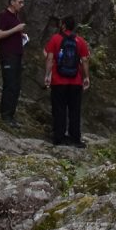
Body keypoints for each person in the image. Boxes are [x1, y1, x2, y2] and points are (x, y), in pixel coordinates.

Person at [44, 14, 90, 147]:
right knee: (75, 110)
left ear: (63, 25)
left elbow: (50, 58)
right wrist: (86, 77)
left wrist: (47, 75)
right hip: (75, 81)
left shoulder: (55, 39)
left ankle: (59, 137)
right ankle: (75, 138)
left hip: (58, 81)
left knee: (59, 109)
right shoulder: (80, 41)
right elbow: (85, 60)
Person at [0, 0, 28, 128]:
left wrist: (21, 36)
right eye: (20, 2)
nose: (22, 5)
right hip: (8, 55)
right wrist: (16, 29)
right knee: (9, 85)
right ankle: (6, 115)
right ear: (12, 2)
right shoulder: (4, 15)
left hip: (17, 54)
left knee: (16, 86)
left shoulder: (16, 17)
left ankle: (11, 115)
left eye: (22, 2)